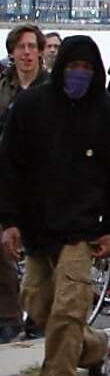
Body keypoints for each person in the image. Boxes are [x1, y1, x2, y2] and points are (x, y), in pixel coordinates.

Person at [0, 35, 110, 376]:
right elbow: (8, 166)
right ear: (60, 67)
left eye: (86, 69)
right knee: (40, 306)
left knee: (67, 309)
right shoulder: (31, 107)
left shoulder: (109, 112)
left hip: (85, 230)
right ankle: (95, 349)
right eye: (73, 67)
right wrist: (8, 222)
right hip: (36, 227)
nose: (79, 75)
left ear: (95, 72)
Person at [0, 24, 50, 344]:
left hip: (44, 177)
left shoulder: (52, 87)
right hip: (7, 173)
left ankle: (39, 314)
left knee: (40, 250)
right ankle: (8, 317)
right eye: (21, 47)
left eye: (32, 46)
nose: (27, 52)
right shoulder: (3, 88)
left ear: (41, 51)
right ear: (12, 52)